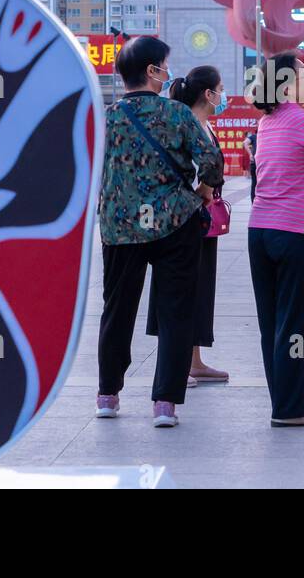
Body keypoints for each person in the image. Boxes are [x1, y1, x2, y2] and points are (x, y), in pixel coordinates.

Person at [96, 36, 224, 428]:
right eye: (165, 65)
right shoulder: (176, 114)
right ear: (152, 71)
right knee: (175, 310)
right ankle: (165, 403)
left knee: (117, 309)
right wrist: (203, 191)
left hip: (120, 227)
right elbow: (211, 160)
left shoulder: (107, 117)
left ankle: (108, 395)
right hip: (174, 222)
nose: (169, 71)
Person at [247, 52, 304, 427]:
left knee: (270, 324)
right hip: (293, 231)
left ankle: (279, 402)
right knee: (293, 324)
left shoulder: (266, 124)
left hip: (259, 231)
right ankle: (290, 409)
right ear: (286, 83)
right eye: (302, 74)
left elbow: (285, 176)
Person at [146, 65, 229, 384]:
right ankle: (176, 364)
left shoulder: (206, 126)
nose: (222, 96)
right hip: (184, 219)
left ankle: (194, 359)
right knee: (180, 291)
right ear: (208, 94)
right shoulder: (186, 125)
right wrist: (200, 195)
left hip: (202, 221)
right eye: (220, 89)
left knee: (199, 289)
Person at [243, 130, 258, 201]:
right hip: (263, 163)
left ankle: (254, 203)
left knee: (254, 184)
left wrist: (250, 154)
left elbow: (245, 143)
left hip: (255, 162)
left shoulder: (254, 136)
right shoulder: (266, 136)